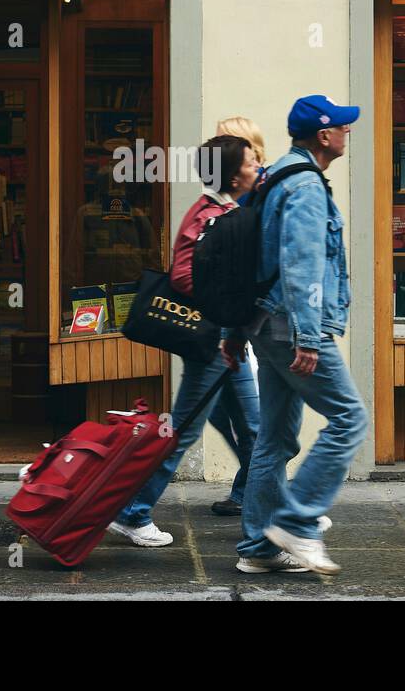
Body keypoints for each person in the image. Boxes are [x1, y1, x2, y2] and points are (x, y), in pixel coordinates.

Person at [223, 95, 369, 575]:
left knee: (274, 439)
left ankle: (258, 549)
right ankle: (298, 522)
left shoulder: (275, 176)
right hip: (293, 330)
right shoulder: (304, 185)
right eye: (343, 128)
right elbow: (300, 266)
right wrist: (309, 338)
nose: (349, 133)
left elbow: (249, 260)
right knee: (349, 419)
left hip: (265, 325)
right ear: (324, 136)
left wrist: (234, 331)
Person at [107, 135, 263, 547]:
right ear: (233, 174)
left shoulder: (224, 210)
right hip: (212, 341)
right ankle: (133, 512)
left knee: (255, 429)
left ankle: (271, 508)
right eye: (251, 162)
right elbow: (182, 276)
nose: (257, 167)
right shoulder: (209, 215)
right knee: (182, 431)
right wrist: (227, 309)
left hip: (228, 340)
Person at [204, 116, 269, 516]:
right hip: (223, 319)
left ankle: (263, 497)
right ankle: (250, 487)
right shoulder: (228, 195)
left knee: (253, 421)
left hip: (237, 322)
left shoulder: (253, 196)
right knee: (217, 412)